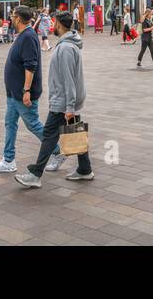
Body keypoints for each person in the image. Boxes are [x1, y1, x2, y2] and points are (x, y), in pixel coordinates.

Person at [14, 10, 94, 187]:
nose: (51, 26)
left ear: (59, 24)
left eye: (53, 23)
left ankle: (35, 174)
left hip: (63, 101)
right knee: (74, 131)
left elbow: (68, 80)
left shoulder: (65, 48)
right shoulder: (69, 44)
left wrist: (70, 106)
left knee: (50, 135)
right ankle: (85, 169)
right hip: (67, 100)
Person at [0, 6, 46, 174]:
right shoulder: (24, 35)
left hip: (22, 93)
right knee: (10, 123)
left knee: (33, 124)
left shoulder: (28, 36)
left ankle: (57, 150)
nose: (11, 19)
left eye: (13, 16)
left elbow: (30, 66)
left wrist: (26, 90)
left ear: (19, 19)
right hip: (14, 93)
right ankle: (8, 160)